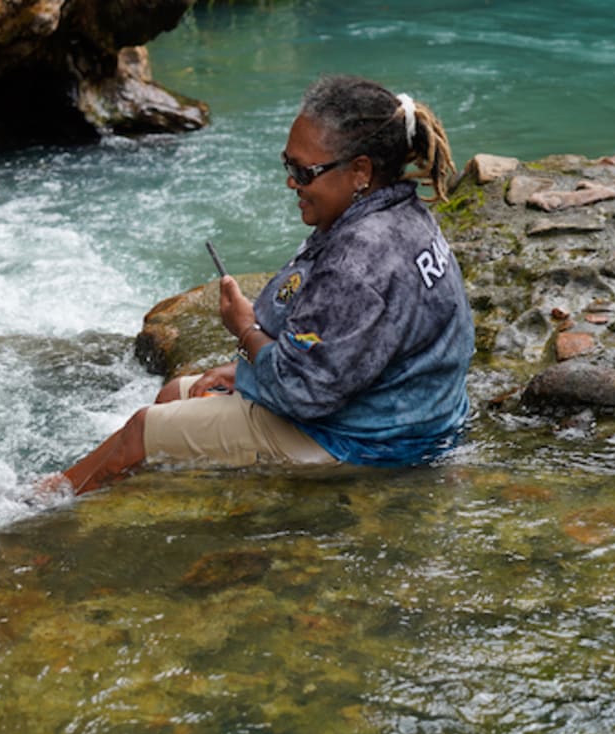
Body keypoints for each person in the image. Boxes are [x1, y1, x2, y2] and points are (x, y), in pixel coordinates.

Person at [57, 75, 474, 494]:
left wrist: (245, 331)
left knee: (141, 432)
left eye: (304, 172)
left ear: (360, 171)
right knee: (173, 394)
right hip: (410, 413)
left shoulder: (359, 257)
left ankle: (42, 507)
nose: (291, 182)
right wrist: (247, 367)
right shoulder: (403, 215)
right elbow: (339, 352)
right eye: (288, 165)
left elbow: (302, 392)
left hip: (369, 442)